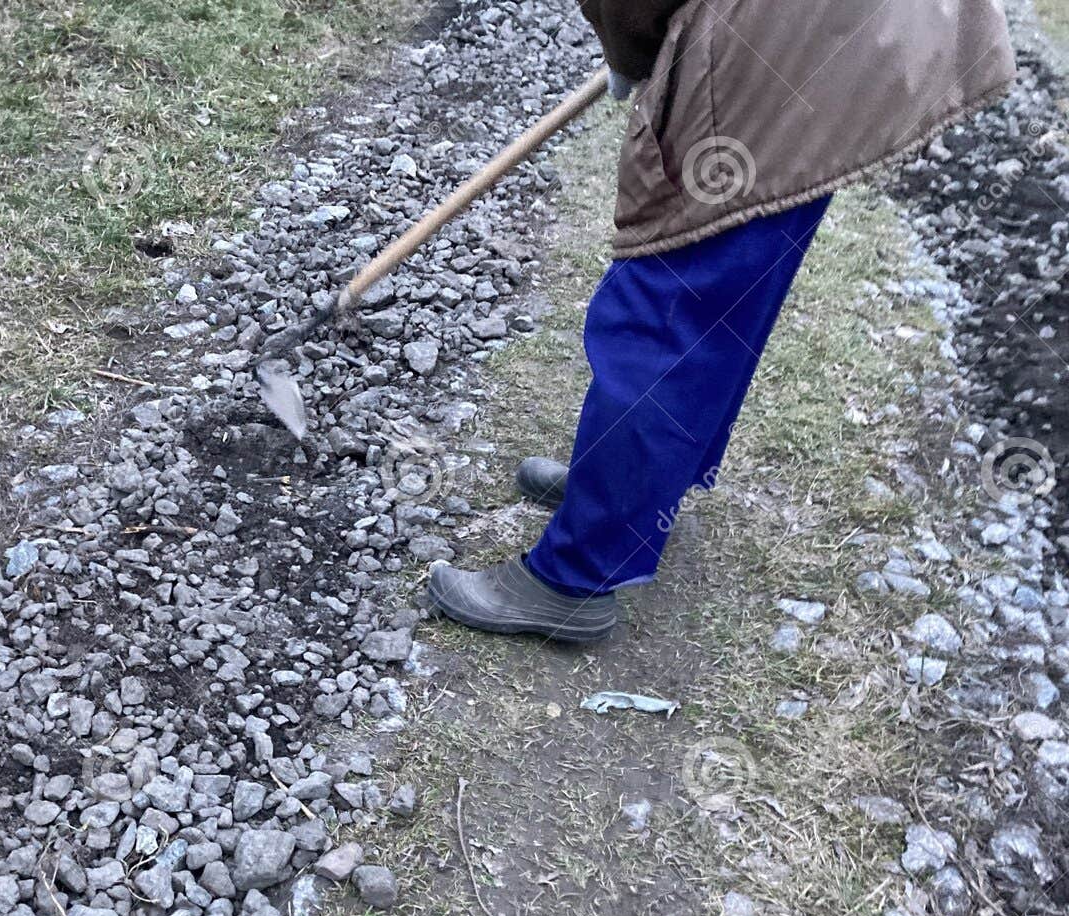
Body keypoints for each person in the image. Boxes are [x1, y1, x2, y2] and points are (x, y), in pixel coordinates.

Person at [427, 0, 1016, 641]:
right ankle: (634, 495)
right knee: (729, 286)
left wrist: (628, 50)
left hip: (793, 33)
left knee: (667, 302)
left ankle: (578, 574)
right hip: (842, 31)